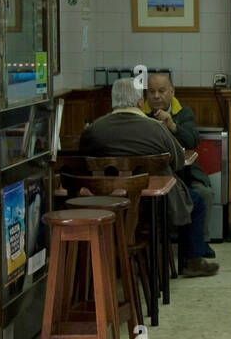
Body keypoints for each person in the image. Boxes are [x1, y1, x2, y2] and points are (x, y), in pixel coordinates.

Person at [80, 77, 219, 276]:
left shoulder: (94, 130)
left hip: (107, 203)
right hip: (152, 204)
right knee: (195, 201)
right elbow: (179, 161)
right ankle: (192, 261)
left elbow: (84, 157)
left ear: (113, 102)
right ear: (139, 102)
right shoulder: (155, 128)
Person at [143, 71, 216, 262]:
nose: (156, 96)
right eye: (151, 92)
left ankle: (201, 242)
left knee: (204, 194)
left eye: (161, 91)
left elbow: (192, 141)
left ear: (172, 92)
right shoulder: (140, 115)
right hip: (150, 176)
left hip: (186, 172)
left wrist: (172, 125)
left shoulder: (183, 112)